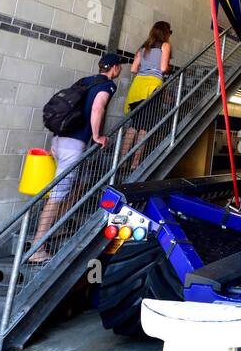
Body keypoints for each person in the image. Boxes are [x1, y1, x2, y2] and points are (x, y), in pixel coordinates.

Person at [30, 53, 123, 263]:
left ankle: (58, 225)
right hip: (74, 145)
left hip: (60, 141)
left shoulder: (85, 81)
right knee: (57, 195)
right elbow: (98, 107)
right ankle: (37, 248)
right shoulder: (107, 85)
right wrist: (97, 136)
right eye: (119, 67)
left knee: (83, 180)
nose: (120, 70)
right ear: (114, 68)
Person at [120, 21, 173, 170]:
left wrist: (145, 70)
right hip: (152, 87)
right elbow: (163, 68)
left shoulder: (143, 47)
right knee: (145, 127)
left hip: (137, 86)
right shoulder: (165, 45)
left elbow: (133, 69)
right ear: (166, 32)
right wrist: (166, 69)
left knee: (134, 125)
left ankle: (122, 160)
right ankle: (135, 163)